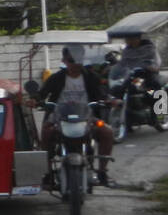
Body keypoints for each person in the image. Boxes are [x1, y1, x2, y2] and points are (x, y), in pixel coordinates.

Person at [38, 44, 119, 187]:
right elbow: (41, 94)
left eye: (78, 59)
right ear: (64, 60)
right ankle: (48, 173)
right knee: (46, 131)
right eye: (71, 60)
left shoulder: (91, 77)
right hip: (59, 117)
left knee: (107, 132)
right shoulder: (55, 78)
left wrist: (108, 100)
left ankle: (102, 171)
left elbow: (102, 93)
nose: (75, 64)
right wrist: (34, 100)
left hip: (86, 116)